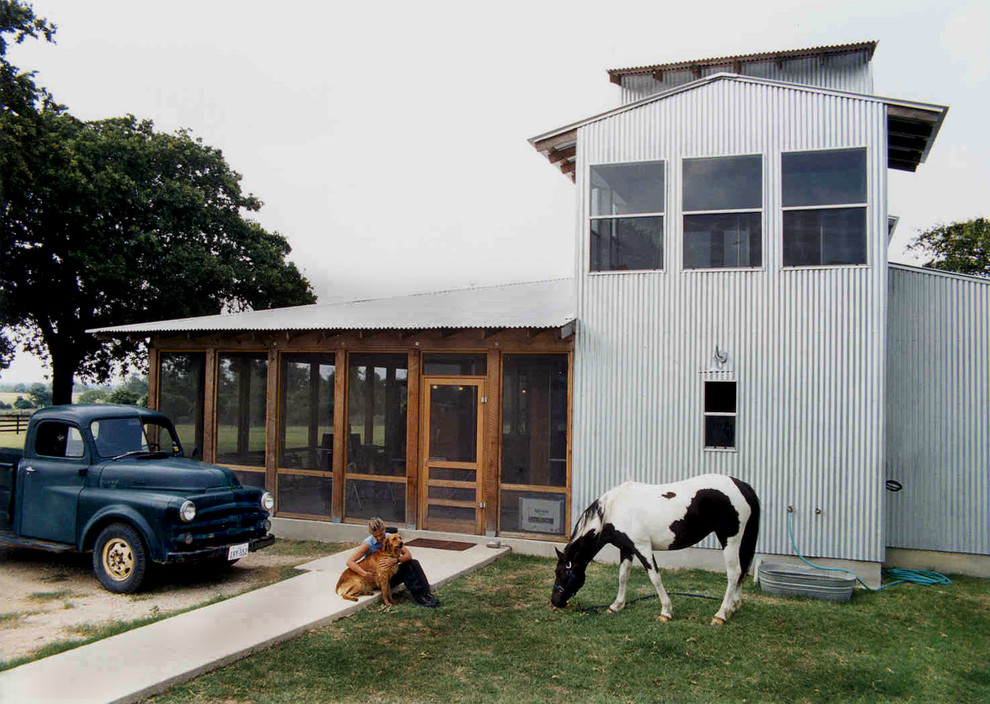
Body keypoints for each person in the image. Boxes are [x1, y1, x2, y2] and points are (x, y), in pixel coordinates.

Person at [345, 517, 440, 608]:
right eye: (375, 535)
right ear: (371, 534)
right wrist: (365, 574)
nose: (379, 538)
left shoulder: (392, 538)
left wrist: (395, 560)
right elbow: (350, 562)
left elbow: (408, 555)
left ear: (385, 529)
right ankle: (421, 598)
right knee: (408, 572)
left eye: (381, 534)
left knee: (413, 563)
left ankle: (427, 593)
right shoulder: (368, 543)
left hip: (390, 572)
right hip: (377, 580)